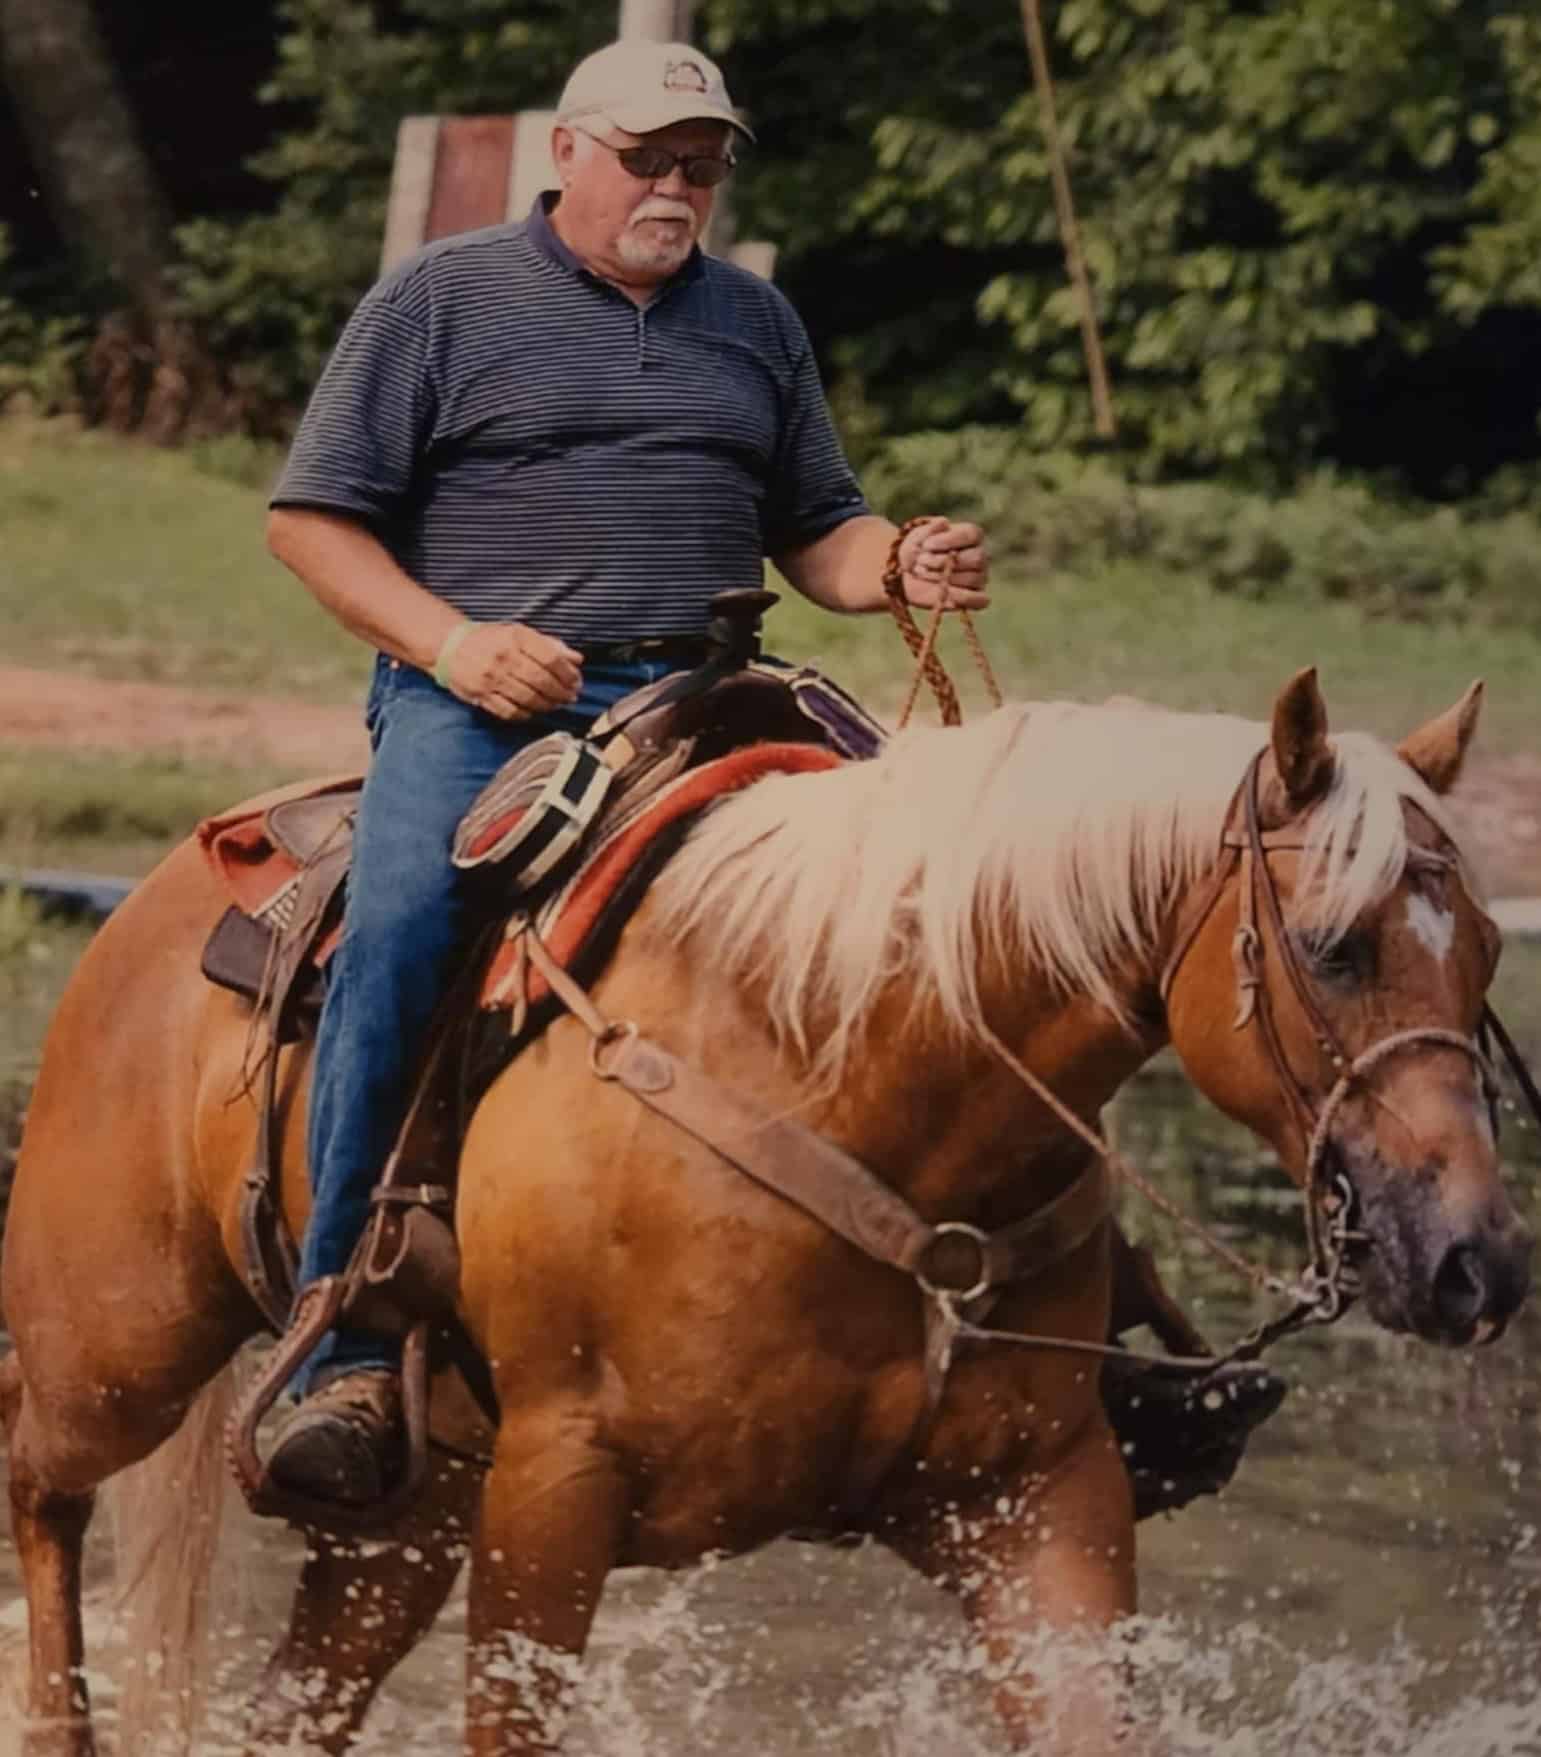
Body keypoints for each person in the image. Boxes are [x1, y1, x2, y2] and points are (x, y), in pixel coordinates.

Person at [261, 37, 991, 1506]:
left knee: (947, 887)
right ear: (567, 154)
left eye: (701, 163)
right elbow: (312, 523)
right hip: (490, 703)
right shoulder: (439, 300)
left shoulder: (755, 322)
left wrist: (897, 562)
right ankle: (338, 1309)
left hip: (707, 688)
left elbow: (821, 530)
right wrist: (458, 646)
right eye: (649, 157)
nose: (676, 185)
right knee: (404, 918)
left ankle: (1047, 1303)